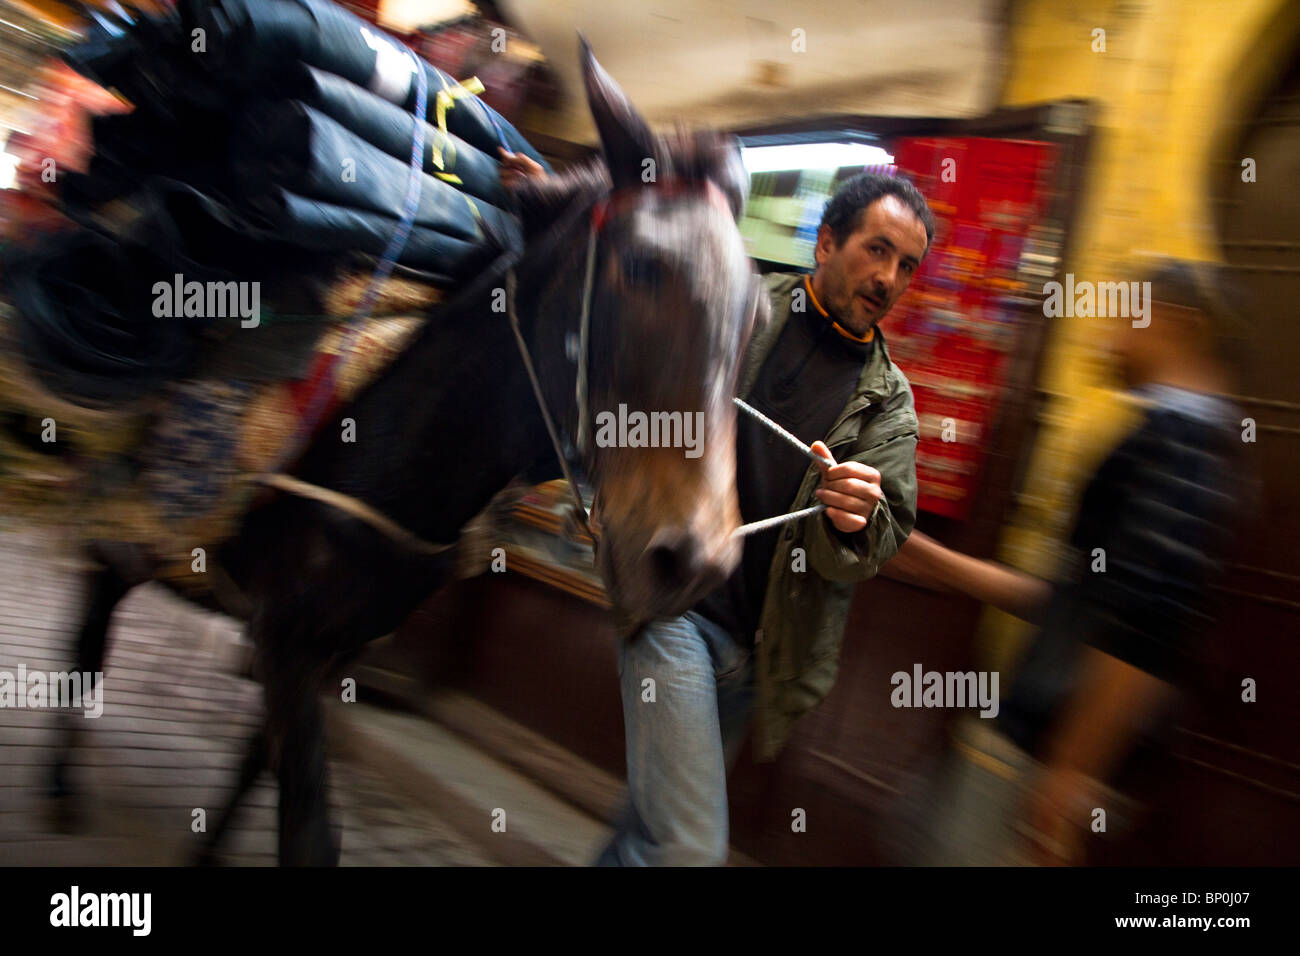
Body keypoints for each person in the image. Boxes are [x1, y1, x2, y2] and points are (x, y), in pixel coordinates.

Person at [885, 258, 1252, 864]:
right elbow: (1080, 597)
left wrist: (1068, 775)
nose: (1107, 334)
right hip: (1031, 742)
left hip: (1040, 752)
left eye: (1125, 316)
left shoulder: (1181, 451)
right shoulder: (1175, 439)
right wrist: (927, 559)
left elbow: (1144, 635)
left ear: (1175, 323)